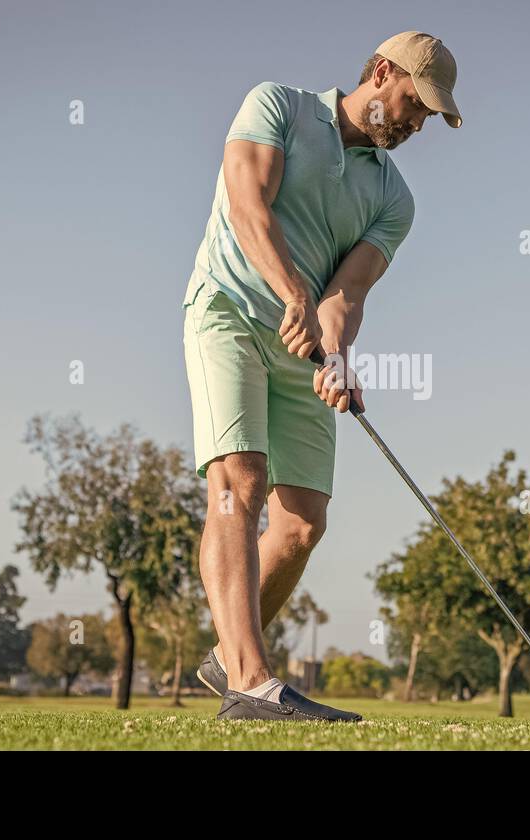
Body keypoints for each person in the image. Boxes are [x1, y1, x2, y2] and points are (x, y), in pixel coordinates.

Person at [180, 32, 461, 721]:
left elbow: (348, 293)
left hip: (300, 350)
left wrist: (335, 356)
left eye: (427, 117)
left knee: (303, 523)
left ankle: (227, 656)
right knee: (238, 483)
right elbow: (248, 205)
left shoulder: (395, 198)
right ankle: (251, 682)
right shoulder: (277, 106)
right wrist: (293, 296)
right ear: (379, 71)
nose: (415, 123)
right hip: (230, 315)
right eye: (412, 104)